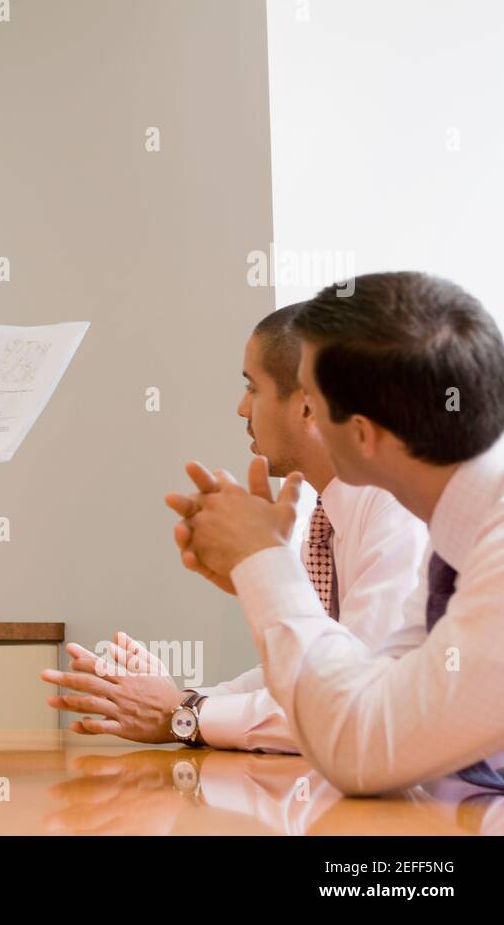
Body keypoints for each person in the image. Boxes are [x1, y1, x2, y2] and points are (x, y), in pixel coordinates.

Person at [170, 272, 504, 794]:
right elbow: (371, 694)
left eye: (316, 404)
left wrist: (263, 564)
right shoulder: (455, 539)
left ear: (361, 433)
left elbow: (362, 748)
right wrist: (264, 573)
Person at [41, 304, 425, 752]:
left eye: (252, 387)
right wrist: (179, 705)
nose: (242, 407)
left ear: (307, 405)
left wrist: (183, 716)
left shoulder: (400, 512)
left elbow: (350, 704)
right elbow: (307, 673)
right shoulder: (329, 517)